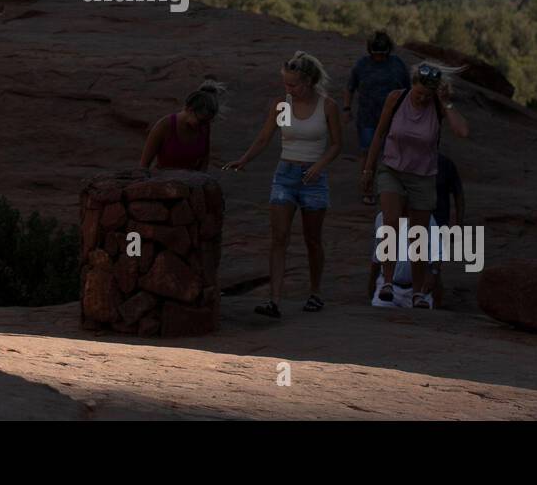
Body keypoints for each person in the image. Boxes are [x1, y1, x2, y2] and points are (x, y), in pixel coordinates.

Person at [224, 51, 342, 318]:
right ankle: (274, 300)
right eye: (286, 84)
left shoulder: (328, 106)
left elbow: (336, 144)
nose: (289, 89)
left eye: (294, 84)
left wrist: (319, 166)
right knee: (279, 237)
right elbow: (265, 137)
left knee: (313, 239)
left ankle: (315, 293)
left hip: (313, 177)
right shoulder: (283, 106)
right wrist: (244, 160)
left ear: (310, 81)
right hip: (285, 174)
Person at [359, 62, 469, 309]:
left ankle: (417, 293)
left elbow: (462, 131)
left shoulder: (437, 106)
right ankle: (387, 282)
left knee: (417, 234)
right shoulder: (396, 99)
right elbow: (379, 134)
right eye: (418, 92)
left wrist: (445, 102)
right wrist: (368, 168)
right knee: (391, 222)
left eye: (426, 95)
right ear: (412, 84)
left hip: (422, 175)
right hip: (392, 169)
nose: (421, 98)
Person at [344, 31, 410, 202]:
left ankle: (393, 190)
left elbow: (409, 89)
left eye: (382, 54)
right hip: (368, 117)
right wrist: (346, 108)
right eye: (375, 54)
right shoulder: (362, 65)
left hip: (394, 117)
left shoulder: (397, 64)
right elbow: (350, 87)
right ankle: (367, 190)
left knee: (395, 153)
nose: (379, 57)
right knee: (368, 153)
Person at [140, 80, 224, 170]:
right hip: (163, 179)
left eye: (208, 122)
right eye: (201, 121)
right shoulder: (164, 126)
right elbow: (144, 165)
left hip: (191, 180)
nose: (204, 125)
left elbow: (204, 159)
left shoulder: (204, 126)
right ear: (190, 109)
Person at [368, 209, 441, 308]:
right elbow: (377, 254)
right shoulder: (382, 216)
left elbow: (437, 253)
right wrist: (372, 286)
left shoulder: (426, 217)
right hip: (388, 287)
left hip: (418, 289)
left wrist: (433, 272)